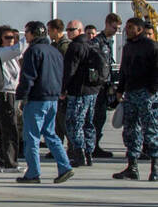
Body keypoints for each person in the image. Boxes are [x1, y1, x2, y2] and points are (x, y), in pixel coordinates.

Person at [15, 21, 74, 185]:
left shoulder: (32, 51)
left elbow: (28, 77)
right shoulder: (54, 51)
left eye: (26, 32)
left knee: (31, 136)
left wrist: (21, 96)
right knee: (50, 134)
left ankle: (33, 172)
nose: (25, 35)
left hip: (37, 99)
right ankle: (65, 166)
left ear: (33, 33)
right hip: (52, 99)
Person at [112, 16, 158, 181]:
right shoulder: (128, 47)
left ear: (139, 29)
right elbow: (124, 69)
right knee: (130, 130)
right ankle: (132, 167)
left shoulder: (151, 46)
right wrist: (120, 89)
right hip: (130, 94)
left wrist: (152, 91)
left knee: (151, 131)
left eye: (131, 27)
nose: (128, 30)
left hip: (146, 94)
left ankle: (155, 167)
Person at [62, 19, 100, 168]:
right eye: (68, 29)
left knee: (74, 122)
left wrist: (63, 88)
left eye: (71, 29)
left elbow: (69, 70)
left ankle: (79, 154)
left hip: (79, 91)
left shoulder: (75, 46)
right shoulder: (92, 44)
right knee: (89, 122)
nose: (68, 32)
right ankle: (89, 153)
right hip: (92, 91)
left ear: (79, 30)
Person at [0, 25, 24, 172]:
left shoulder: (11, 54)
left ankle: (4, 161)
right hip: (5, 93)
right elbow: (19, 48)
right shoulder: (1, 52)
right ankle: (9, 163)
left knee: (7, 128)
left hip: (11, 93)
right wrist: (32, 37)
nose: (12, 41)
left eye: (14, 38)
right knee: (9, 128)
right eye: (8, 38)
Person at [92, 13, 122, 159]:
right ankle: (92, 146)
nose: (116, 31)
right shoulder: (97, 42)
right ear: (107, 23)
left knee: (101, 117)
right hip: (98, 86)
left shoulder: (108, 42)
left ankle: (95, 145)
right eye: (114, 28)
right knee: (96, 117)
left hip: (106, 87)